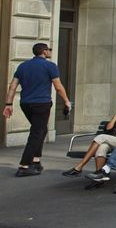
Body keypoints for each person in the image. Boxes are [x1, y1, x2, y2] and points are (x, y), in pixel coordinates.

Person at [4, 42, 71, 176]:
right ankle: (24, 166)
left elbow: (12, 86)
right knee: (36, 132)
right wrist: (66, 101)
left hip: (26, 104)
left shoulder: (23, 66)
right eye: (49, 50)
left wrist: (9, 104)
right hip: (41, 103)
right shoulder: (50, 66)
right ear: (44, 52)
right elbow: (58, 87)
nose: (50, 52)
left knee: (41, 129)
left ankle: (36, 161)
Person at [63, 95, 116, 176]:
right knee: (102, 147)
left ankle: (79, 167)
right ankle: (99, 176)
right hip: (114, 141)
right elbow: (108, 128)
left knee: (101, 137)